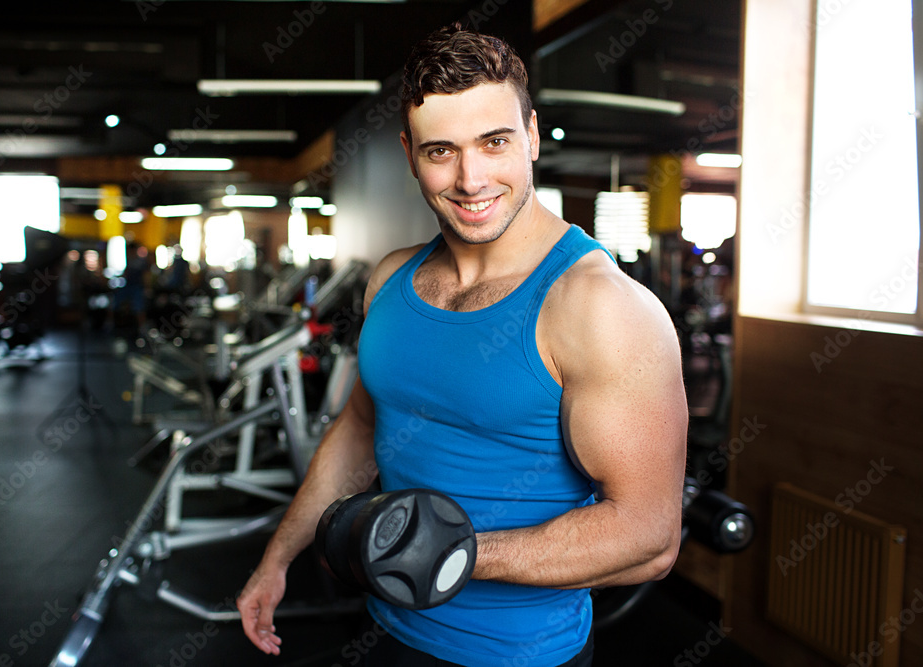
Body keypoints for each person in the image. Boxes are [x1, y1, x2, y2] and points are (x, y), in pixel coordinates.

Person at [237, 24, 688, 666]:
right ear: (410, 153)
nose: (471, 178)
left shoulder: (599, 306)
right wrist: (277, 558)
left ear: (530, 136)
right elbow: (360, 429)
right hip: (384, 627)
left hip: (520, 656)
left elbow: (650, 537)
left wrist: (454, 555)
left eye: (495, 142)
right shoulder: (390, 279)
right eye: (441, 150)